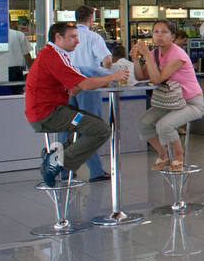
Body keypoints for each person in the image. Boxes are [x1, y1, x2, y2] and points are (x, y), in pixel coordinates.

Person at [25, 22, 128, 187]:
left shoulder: (54, 53)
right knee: (101, 130)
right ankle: (58, 162)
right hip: (49, 114)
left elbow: (74, 85)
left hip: (54, 110)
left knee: (90, 124)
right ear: (58, 37)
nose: (77, 41)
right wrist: (113, 77)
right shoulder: (53, 56)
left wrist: (75, 86)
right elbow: (84, 84)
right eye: (72, 37)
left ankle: (56, 157)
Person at [131, 20, 204, 171]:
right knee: (143, 124)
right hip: (170, 102)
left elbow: (157, 79)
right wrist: (136, 61)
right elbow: (141, 77)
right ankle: (162, 153)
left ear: (172, 37)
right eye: (156, 32)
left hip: (191, 103)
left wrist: (147, 56)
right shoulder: (155, 53)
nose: (159, 35)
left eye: (164, 32)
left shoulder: (178, 55)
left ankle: (178, 155)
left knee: (164, 125)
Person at [68, 5, 112, 181]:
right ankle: (95, 171)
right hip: (87, 86)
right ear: (92, 18)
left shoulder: (66, 36)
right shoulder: (93, 37)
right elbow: (107, 60)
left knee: (69, 125)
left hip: (67, 87)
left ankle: (65, 170)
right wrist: (108, 74)